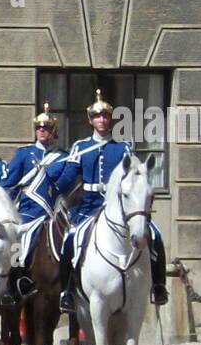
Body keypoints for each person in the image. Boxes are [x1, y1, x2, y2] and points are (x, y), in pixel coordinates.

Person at [49, 89, 168, 311]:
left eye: (105, 116)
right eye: (97, 116)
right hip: (89, 207)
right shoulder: (80, 147)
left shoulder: (122, 147)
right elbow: (67, 178)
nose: (101, 120)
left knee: (155, 235)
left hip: (118, 208)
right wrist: (51, 182)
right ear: (91, 120)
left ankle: (159, 286)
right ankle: (67, 291)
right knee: (70, 239)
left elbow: (134, 177)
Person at [0, 104, 65, 303]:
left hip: (52, 211)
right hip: (28, 210)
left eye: (46, 128)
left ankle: (70, 285)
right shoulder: (24, 154)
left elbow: (65, 184)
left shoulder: (63, 156)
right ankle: (15, 280)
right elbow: (9, 184)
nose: (42, 131)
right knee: (16, 237)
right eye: (39, 127)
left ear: (54, 131)